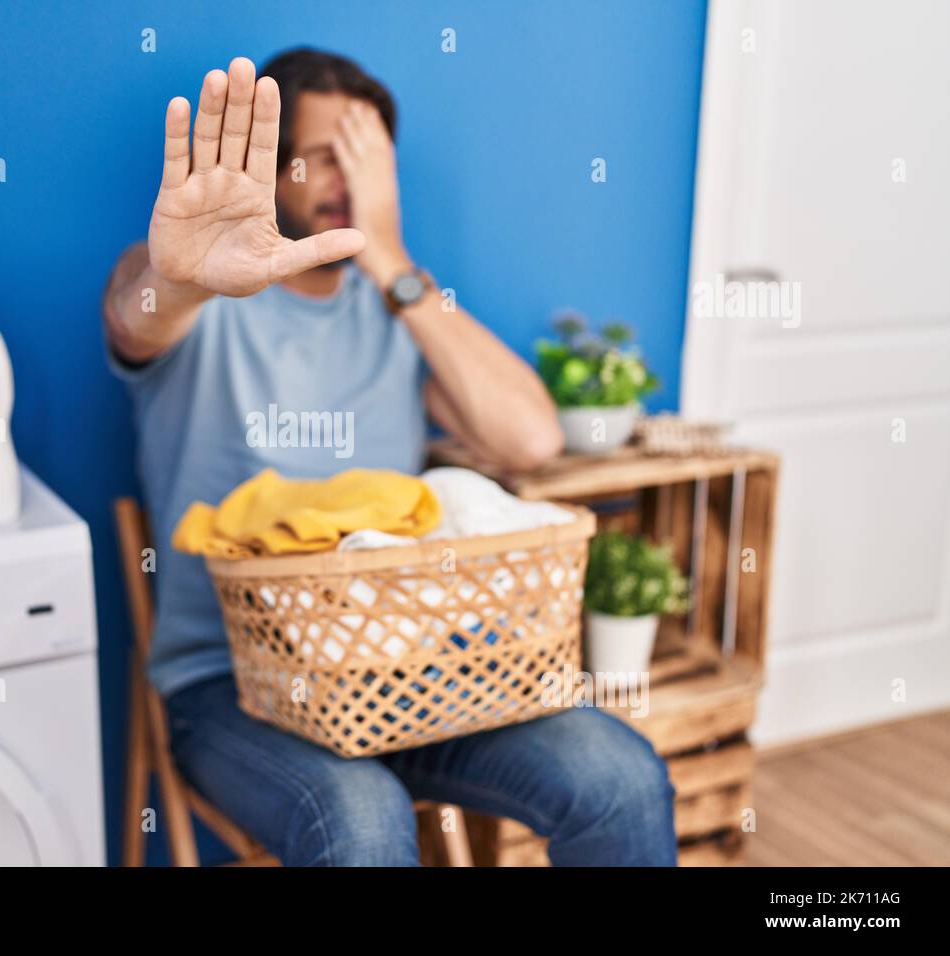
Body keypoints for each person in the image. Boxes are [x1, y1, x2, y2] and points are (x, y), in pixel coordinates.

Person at [104, 49, 676, 866]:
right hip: (231, 687)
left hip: (401, 677)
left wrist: (392, 263)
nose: (346, 180)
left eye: (367, 161)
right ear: (273, 164)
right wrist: (177, 276)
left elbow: (531, 439)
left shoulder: (396, 309)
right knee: (361, 817)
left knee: (618, 774)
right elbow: (135, 316)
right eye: (327, 154)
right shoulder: (201, 298)